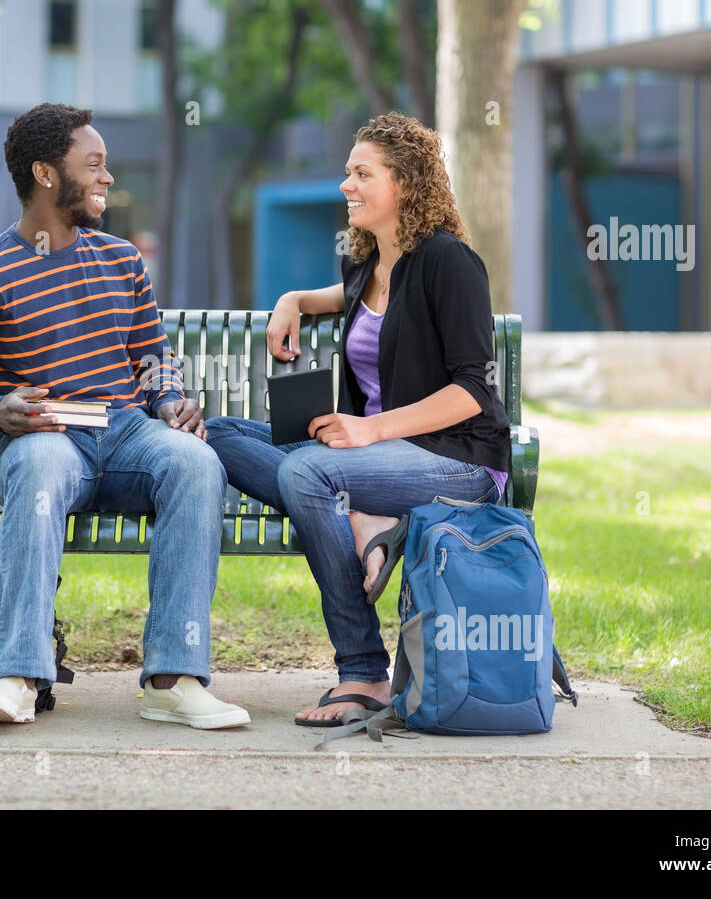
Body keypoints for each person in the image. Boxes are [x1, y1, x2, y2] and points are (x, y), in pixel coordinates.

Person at [0, 103, 249, 730]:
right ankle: (17, 675)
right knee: (40, 469)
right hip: (45, 436)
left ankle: (172, 681)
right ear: (46, 173)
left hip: (124, 432)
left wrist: (169, 398)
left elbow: (152, 357)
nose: (107, 178)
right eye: (93, 165)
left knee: (198, 463)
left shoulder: (122, 260)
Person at [204, 112, 510, 727]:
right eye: (348, 172)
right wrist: (291, 301)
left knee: (310, 474)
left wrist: (369, 429)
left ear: (406, 184)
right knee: (216, 434)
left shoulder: (449, 263)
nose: (346, 185)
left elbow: (474, 390)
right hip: (374, 462)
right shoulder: (368, 265)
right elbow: (334, 297)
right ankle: (363, 517)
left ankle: (364, 670)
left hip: (456, 461)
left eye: (361, 174)